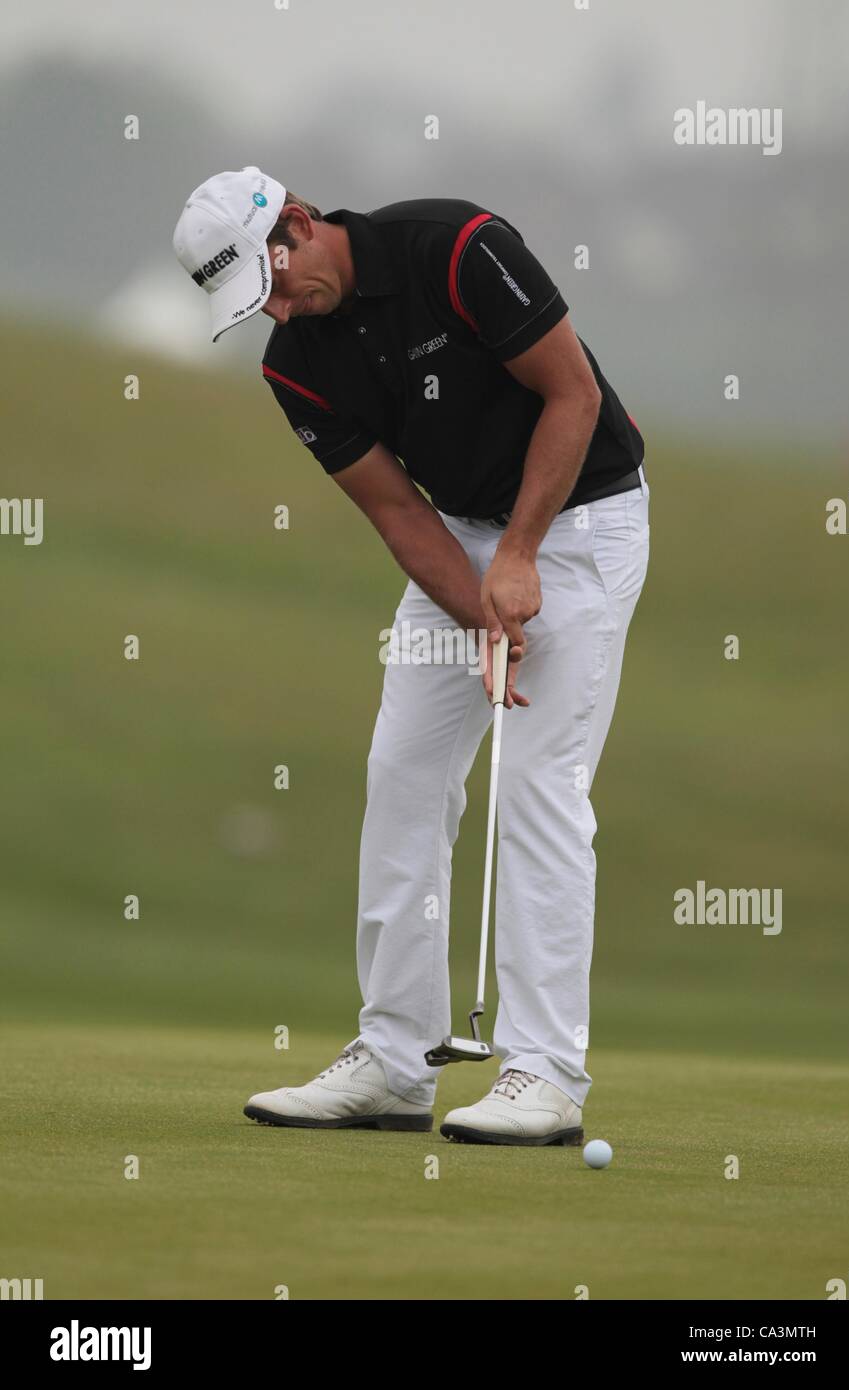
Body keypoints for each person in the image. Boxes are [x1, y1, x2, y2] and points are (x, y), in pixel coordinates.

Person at [173, 166, 650, 1145]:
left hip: (583, 515)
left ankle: (544, 1069)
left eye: (274, 280)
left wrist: (517, 557)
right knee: (401, 771)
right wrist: (481, 608)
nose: (274, 309)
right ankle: (395, 1059)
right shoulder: (292, 364)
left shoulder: (455, 247)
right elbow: (398, 512)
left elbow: (572, 394)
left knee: (539, 779)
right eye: (251, 303)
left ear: (299, 223)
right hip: (462, 538)